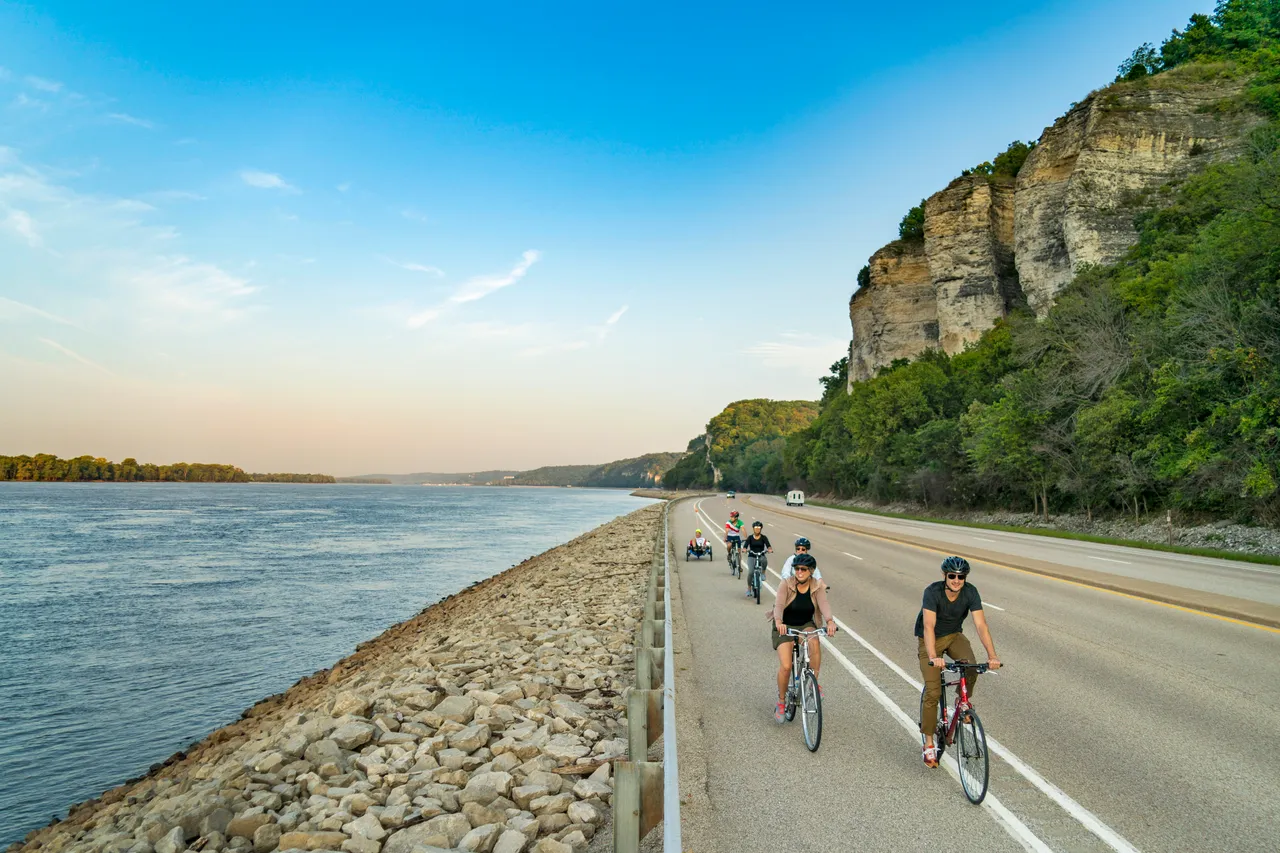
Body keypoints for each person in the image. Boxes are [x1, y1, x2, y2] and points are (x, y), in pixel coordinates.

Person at [915, 556, 1001, 768]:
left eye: (960, 577)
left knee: (971, 667)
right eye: (952, 576)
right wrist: (934, 656)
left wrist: (992, 656)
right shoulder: (932, 592)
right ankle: (928, 743)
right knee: (933, 692)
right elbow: (928, 626)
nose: (956, 580)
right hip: (930, 640)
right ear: (945, 576)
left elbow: (981, 625)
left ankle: (961, 700)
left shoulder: (970, 592)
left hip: (954, 635)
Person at [771, 553, 836, 722]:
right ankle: (781, 701)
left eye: (803, 569)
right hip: (784, 625)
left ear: (811, 571)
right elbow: (778, 605)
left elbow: (824, 605)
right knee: (786, 666)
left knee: (814, 641)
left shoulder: (816, 586)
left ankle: (813, 683)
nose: (799, 572)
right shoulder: (786, 584)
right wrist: (779, 621)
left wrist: (830, 621)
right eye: (797, 569)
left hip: (805, 624)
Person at [741, 521, 773, 596]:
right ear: (753, 529)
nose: (757, 529)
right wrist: (744, 549)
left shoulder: (764, 537)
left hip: (761, 555)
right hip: (752, 556)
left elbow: (768, 545)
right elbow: (745, 546)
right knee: (751, 572)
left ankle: (763, 573)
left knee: (764, 560)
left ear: (761, 529)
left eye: (759, 528)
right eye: (756, 528)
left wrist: (769, 549)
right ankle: (749, 589)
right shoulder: (750, 537)